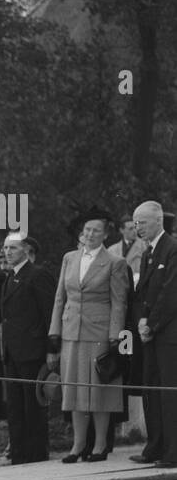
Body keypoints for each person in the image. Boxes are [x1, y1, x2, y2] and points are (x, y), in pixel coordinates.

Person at [47, 214, 130, 463]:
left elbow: (119, 302)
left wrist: (116, 335)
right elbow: (60, 297)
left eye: (96, 230)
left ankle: (100, 444)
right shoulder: (69, 258)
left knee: (99, 390)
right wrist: (54, 332)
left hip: (99, 332)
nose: (91, 234)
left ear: (105, 235)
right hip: (71, 329)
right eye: (87, 230)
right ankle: (78, 444)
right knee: (73, 389)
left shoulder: (115, 262)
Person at [0, 233, 56, 463]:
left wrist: (53, 348)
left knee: (33, 409)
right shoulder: (9, 277)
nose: (8, 252)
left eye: (13, 248)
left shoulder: (37, 274)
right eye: (5, 248)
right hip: (12, 352)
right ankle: (19, 457)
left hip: (32, 351)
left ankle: (36, 459)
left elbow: (49, 313)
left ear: (26, 250)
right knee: (15, 409)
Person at [130, 199, 177, 465]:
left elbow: (170, 293)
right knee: (151, 391)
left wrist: (151, 324)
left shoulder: (172, 249)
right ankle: (155, 446)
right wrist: (141, 322)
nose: (138, 228)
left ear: (158, 221)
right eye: (136, 223)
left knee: (169, 394)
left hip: (169, 335)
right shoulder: (148, 252)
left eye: (143, 222)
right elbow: (143, 294)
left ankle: (173, 452)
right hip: (150, 333)